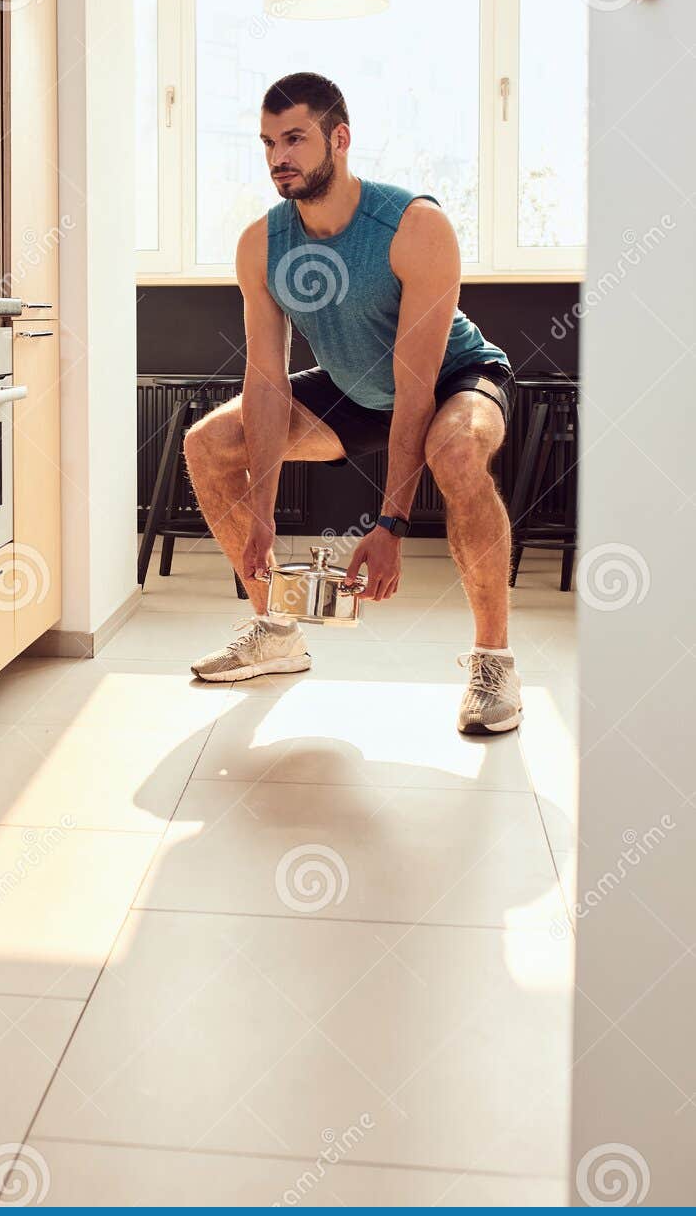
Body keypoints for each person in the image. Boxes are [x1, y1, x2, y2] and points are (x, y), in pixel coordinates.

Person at [184, 71, 521, 736]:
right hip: (351, 385)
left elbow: (416, 387)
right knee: (209, 444)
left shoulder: (412, 226)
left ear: (338, 138)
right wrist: (259, 515)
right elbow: (265, 382)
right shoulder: (262, 243)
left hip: (451, 378)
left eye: (295, 138)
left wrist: (390, 526)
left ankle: (493, 660)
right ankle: (273, 629)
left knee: (453, 452)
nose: (279, 156)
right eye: (267, 143)